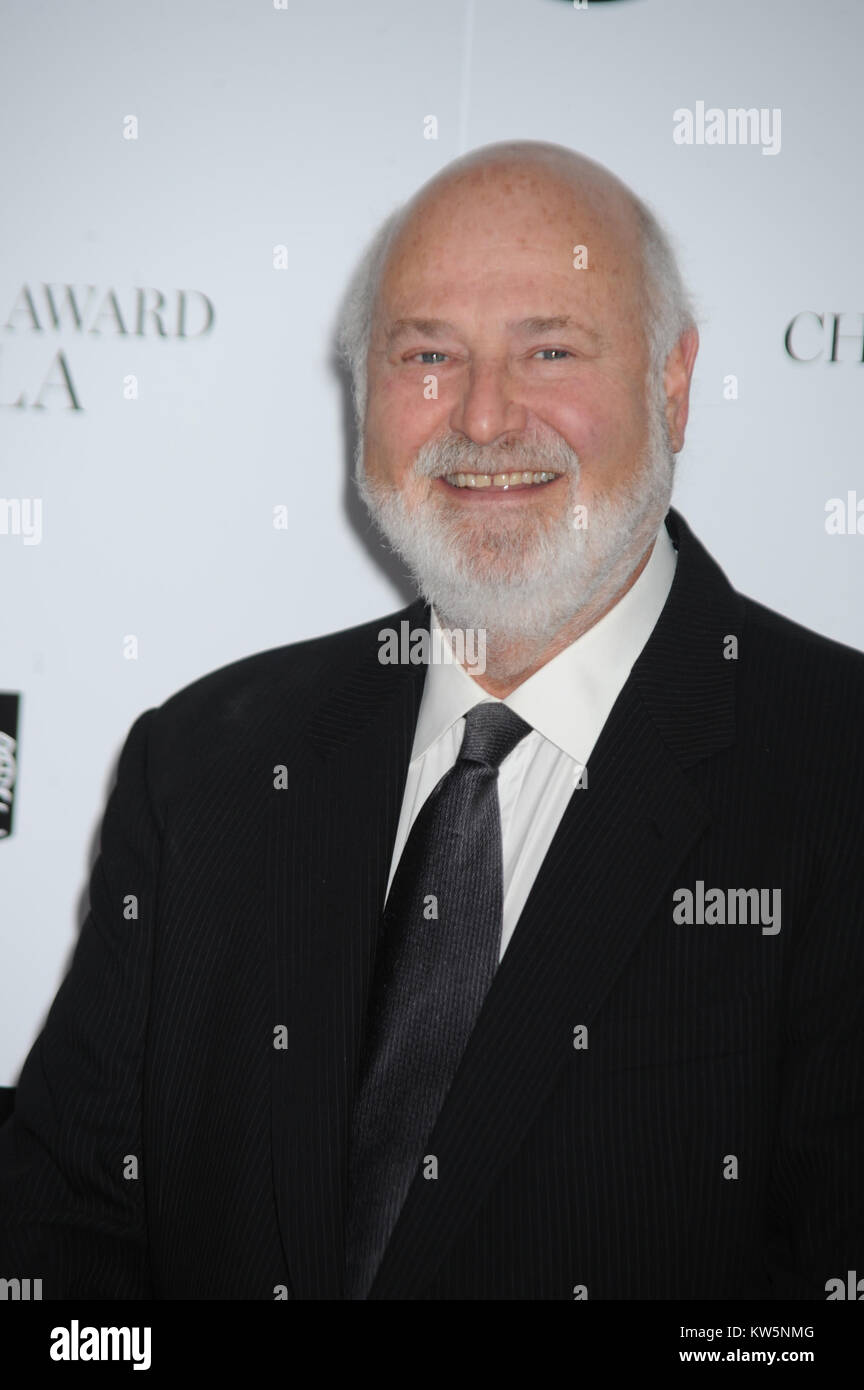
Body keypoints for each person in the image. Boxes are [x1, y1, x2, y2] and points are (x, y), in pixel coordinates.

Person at [1, 141, 862, 1300]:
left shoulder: (837, 771)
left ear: (672, 382)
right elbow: (64, 1239)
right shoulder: (206, 764)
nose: (486, 417)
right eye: (427, 355)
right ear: (364, 396)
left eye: (550, 348)